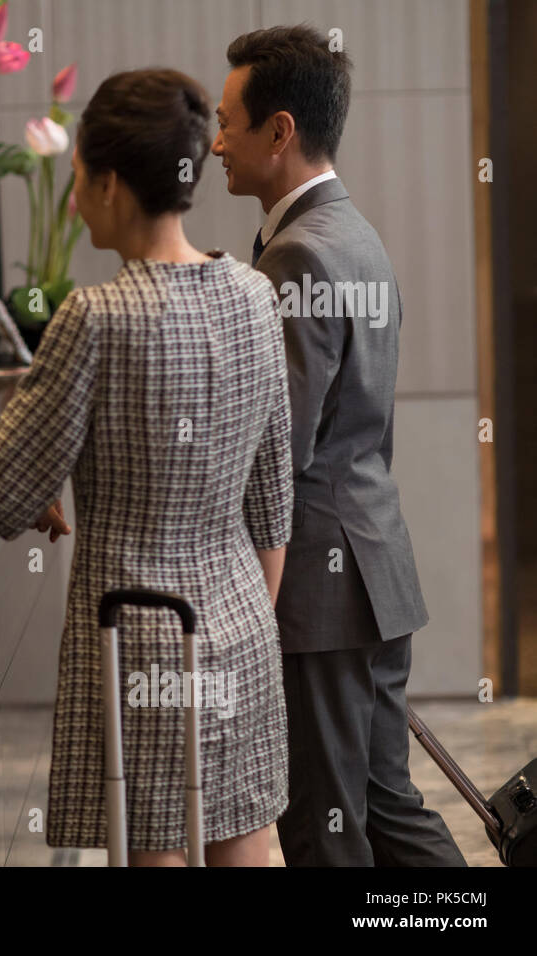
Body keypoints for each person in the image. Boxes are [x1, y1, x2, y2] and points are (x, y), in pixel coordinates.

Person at [0, 68, 292, 866]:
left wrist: (2, 477)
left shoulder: (96, 316)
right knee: (248, 836)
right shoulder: (251, 294)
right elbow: (276, 498)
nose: (72, 200)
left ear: (108, 184)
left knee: (154, 845)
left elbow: (3, 482)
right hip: (241, 615)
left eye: (76, 179)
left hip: (133, 630)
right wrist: (249, 626)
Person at [212, 25, 465, 866]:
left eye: (227, 122)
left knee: (326, 828)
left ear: (278, 132)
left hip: (322, 591)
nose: (214, 143)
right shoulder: (352, 233)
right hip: (372, 572)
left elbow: (276, 452)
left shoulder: (299, 256)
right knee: (386, 809)